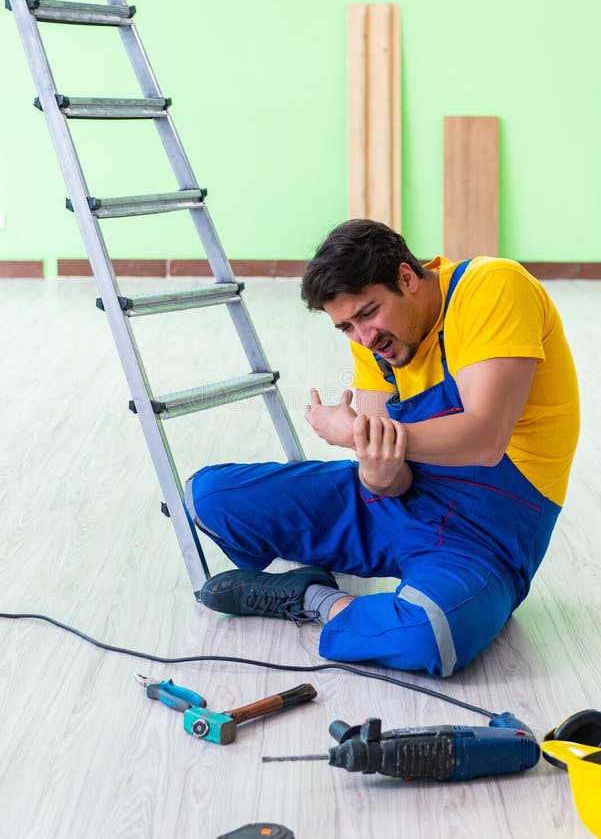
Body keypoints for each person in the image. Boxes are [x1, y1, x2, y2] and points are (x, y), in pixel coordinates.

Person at [184, 219, 580, 677]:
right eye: (347, 326)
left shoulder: (492, 287)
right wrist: (376, 466)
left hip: (484, 537)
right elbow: (389, 481)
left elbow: (486, 437)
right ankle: (338, 571)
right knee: (210, 497)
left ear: (407, 278)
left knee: (431, 634)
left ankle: (313, 597)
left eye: (369, 313)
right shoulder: (374, 345)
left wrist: (356, 435)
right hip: (397, 505)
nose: (365, 337)